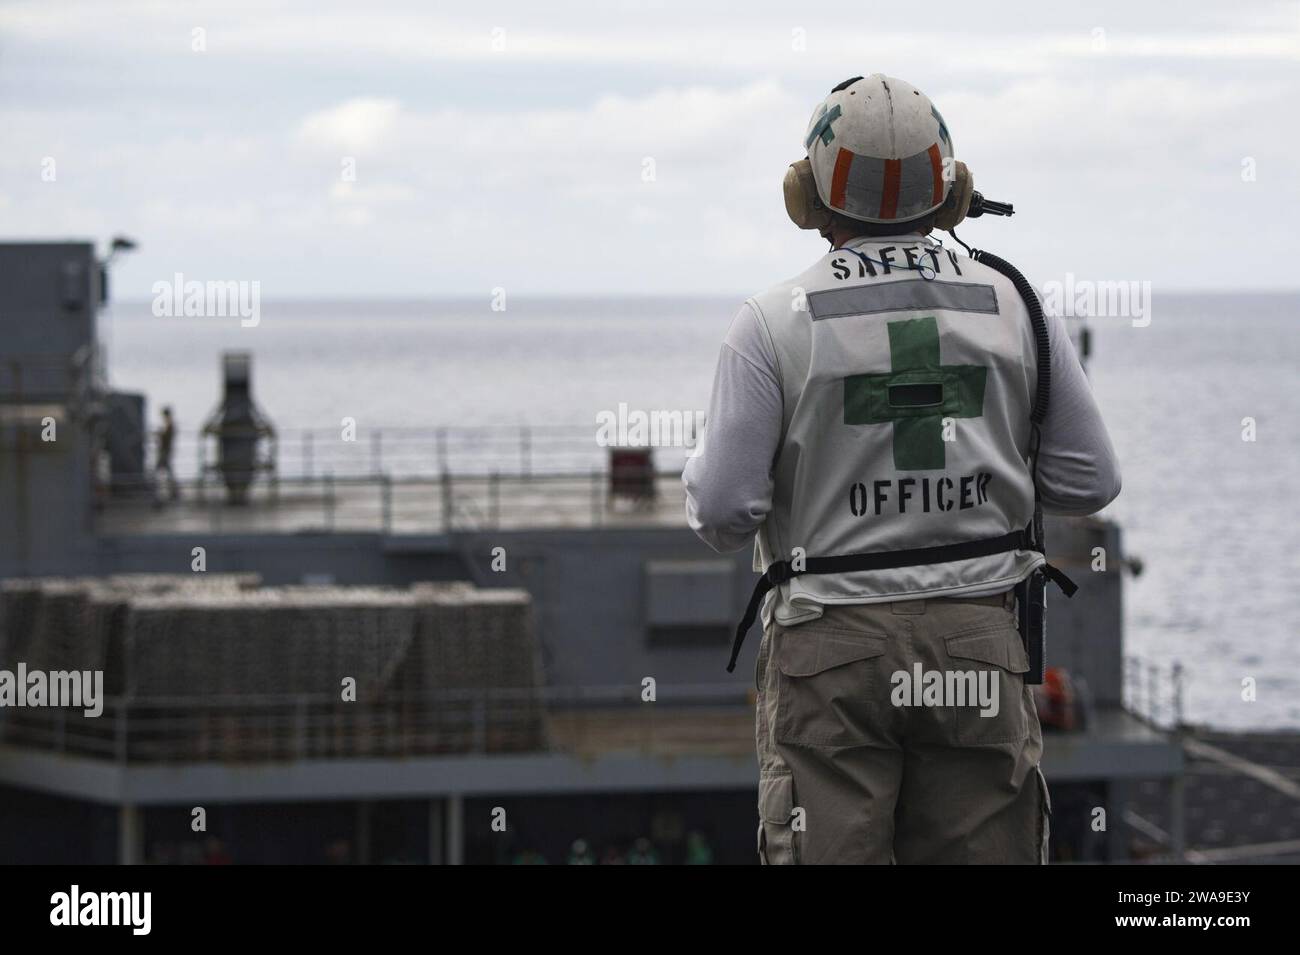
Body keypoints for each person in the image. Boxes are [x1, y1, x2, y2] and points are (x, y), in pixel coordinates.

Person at [683, 74, 1121, 864]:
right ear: (953, 193)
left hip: (830, 653)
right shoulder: (1015, 304)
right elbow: (1089, 480)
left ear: (805, 195)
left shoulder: (771, 321)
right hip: (979, 644)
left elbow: (721, 512)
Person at [154, 406, 179, 503]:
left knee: (158, 472)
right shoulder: (169, 424)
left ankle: (173, 492)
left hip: (165, 452)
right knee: (169, 473)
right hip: (166, 451)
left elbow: (166, 437)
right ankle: (174, 492)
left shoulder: (170, 424)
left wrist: (159, 434)